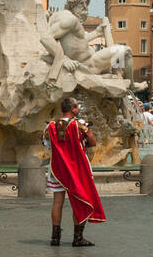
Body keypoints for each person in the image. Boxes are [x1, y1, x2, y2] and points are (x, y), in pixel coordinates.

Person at [44, 97, 106, 246]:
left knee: (57, 202)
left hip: (58, 169)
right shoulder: (80, 124)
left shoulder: (50, 126)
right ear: (73, 109)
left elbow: (46, 144)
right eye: (77, 106)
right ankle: (78, 238)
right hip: (77, 169)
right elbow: (93, 142)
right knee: (79, 200)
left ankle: (55, 238)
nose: (78, 109)